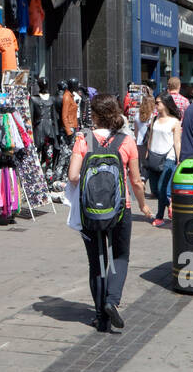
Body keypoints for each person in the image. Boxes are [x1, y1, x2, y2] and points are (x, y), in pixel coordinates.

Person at [68, 94, 153, 332]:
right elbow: (136, 181)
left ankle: (100, 317)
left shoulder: (84, 140)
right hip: (120, 209)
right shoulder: (126, 141)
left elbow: (73, 176)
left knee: (96, 262)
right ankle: (112, 300)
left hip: (90, 213)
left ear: (94, 116)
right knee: (120, 257)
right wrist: (143, 205)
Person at [145, 94, 182, 227]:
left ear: (166, 104)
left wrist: (178, 159)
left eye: (158, 102)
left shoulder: (175, 122)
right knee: (155, 189)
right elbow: (150, 137)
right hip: (154, 156)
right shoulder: (154, 118)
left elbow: (177, 142)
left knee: (161, 188)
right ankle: (171, 205)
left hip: (168, 157)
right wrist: (147, 152)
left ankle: (160, 216)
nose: (156, 105)